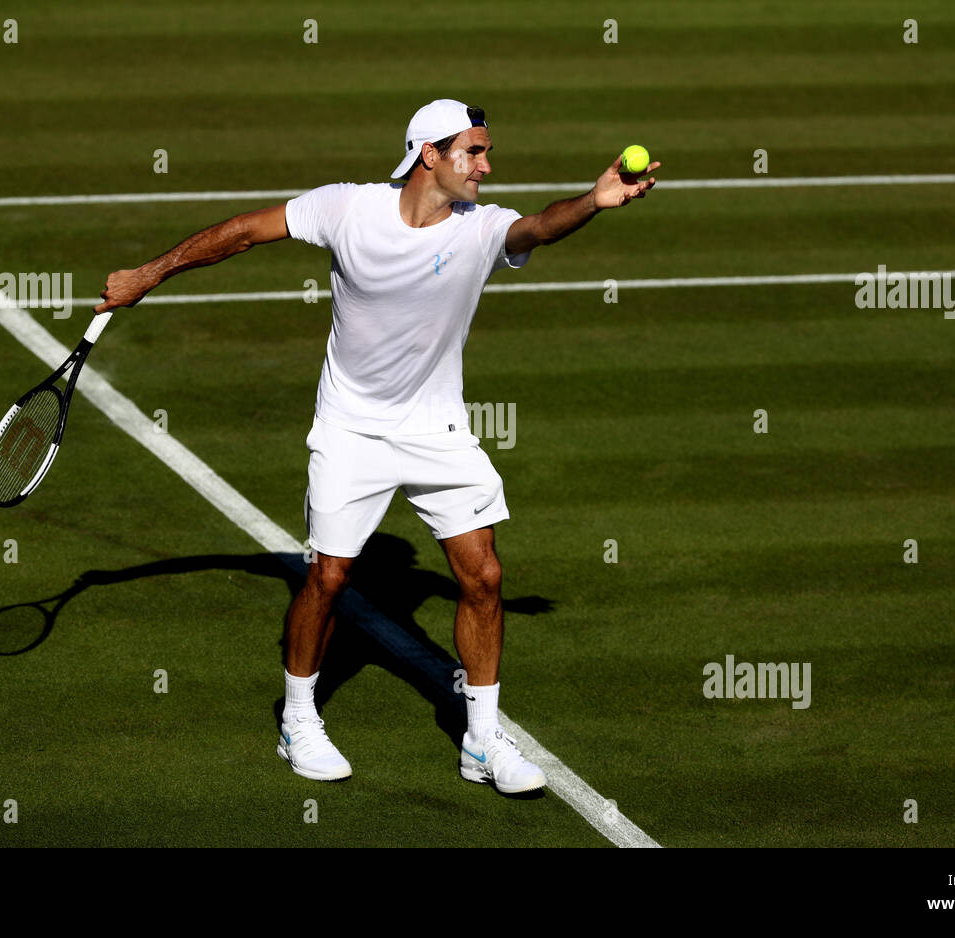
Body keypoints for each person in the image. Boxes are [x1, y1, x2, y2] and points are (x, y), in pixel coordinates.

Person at [94, 99, 659, 794]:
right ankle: (298, 719)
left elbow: (539, 225)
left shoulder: (481, 228)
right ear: (430, 154)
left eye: (485, 152)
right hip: (351, 428)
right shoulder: (347, 209)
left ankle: (481, 742)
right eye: (473, 152)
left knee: (483, 576)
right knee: (329, 578)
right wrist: (150, 273)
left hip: (436, 430)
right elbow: (243, 232)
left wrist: (596, 202)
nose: (487, 164)